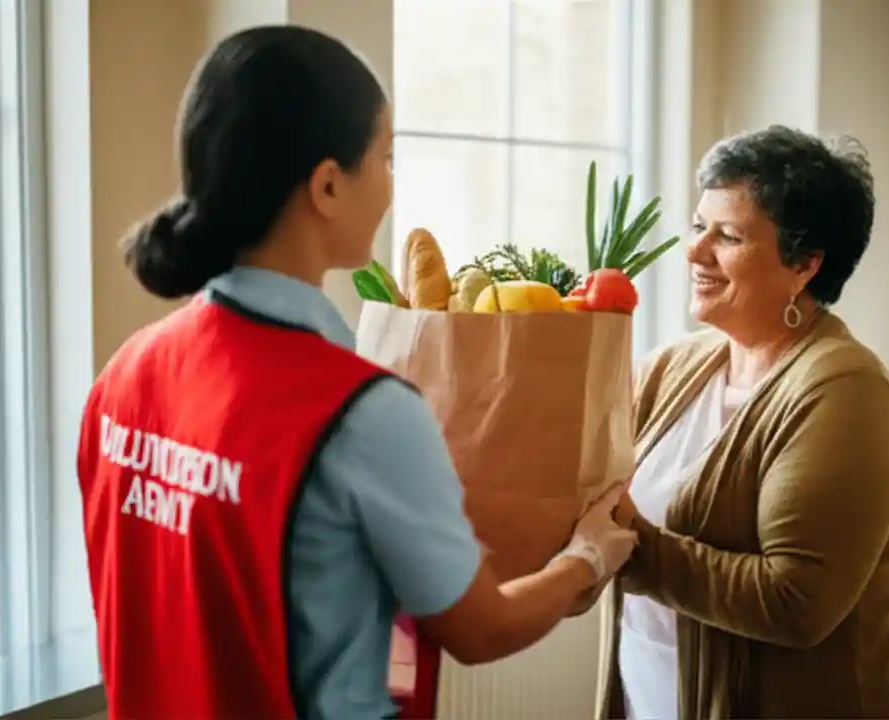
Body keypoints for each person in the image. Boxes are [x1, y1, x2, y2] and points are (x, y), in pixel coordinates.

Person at [75, 26, 636, 720]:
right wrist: (587, 557)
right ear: (329, 186)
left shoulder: (121, 377)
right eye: (388, 156)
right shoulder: (360, 411)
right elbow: (482, 628)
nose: (393, 185)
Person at [594, 126, 889, 719]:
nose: (694, 251)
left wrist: (630, 548)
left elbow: (796, 602)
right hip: (654, 691)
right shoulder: (675, 365)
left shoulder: (846, 394)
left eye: (728, 235)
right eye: (699, 226)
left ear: (804, 263)